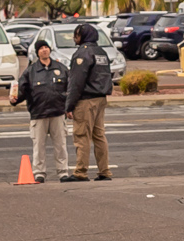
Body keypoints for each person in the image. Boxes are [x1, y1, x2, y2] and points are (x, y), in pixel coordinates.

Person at [9, 33, 73, 181]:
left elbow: (70, 89)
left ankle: (63, 172)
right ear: (37, 52)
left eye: (46, 47)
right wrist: (14, 99)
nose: (44, 50)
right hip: (39, 113)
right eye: (41, 48)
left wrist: (70, 107)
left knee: (61, 145)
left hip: (58, 112)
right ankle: (39, 173)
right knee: (39, 146)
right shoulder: (31, 71)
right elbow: (22, 90)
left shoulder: (61, 68)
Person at [64, 20, 114, 181]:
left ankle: (80, 172)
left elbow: (76, 81)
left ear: (82, 36)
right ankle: (104, 171)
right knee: (99, 135)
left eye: (76, 35)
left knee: (82, 135)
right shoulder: (101, 52)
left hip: (86, 100)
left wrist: (69, 105)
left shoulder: (82, 53)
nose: (74, 38)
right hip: (101, 98)